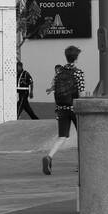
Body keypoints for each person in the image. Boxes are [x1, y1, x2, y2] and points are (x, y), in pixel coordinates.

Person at [42, 47, 85, 176]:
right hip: (74, 108)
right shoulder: (78, 73)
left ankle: (49, 156)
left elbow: (55, 88)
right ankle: (82, 164)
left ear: (66, 57)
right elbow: (81, 94)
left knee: (62, 136)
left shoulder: (59, 73)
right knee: (82, 137)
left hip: (61, 108)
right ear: (76, 58)